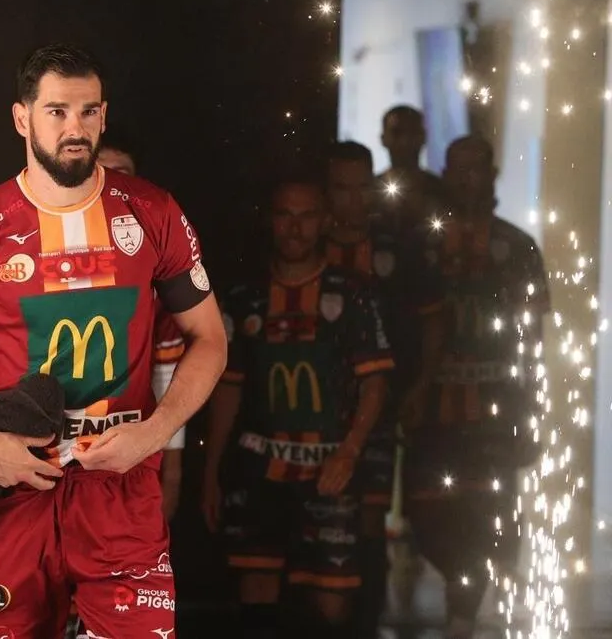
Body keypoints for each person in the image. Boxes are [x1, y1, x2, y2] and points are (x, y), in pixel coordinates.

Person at [0, 44, 227, 639]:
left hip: (122, 493)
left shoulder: (153, 213)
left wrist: (152, 433)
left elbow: (209, 340)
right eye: (56, 112)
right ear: (21, 118)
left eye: (88, 112)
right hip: (14, 489)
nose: (75, 128)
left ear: (103, 114)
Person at [0, 132, 188, 639]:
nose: (110, 189)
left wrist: (164, 463)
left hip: (118, 483)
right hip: (27, 484)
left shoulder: (153, 260)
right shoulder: (10, 240)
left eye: (122, 175)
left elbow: (177, 369)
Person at [202, 176, 393, 638]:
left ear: (324, 222)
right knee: (256, 592)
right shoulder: (245, 295)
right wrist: (211, 472)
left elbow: (376, 381)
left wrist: (349, 451)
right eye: (286, 215)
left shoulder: (352, 293)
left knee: (332, 605)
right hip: (258, 467)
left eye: (306, 216)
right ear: (271, 221)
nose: (295, 228)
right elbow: (228, 387)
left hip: (329, 468)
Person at [403, 135, 549, 639]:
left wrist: (533, 409)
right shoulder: (423, 244)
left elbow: (534, 336)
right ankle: (456, 588)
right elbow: (405, 326)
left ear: (492, 175)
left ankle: (464, 609)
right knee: (427, 509)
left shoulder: (517, 246)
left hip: (494, 405)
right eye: (458, 170)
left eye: (476, 169)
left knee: (487, 509)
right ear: (446, 174)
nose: (467, 180)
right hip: (435, 405)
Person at [323, 141, 446, 639]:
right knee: (320, 518)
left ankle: (366, 627)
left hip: (377, 405)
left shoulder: (398, 249)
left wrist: (421, 384)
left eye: (360, 188)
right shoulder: (307, 244)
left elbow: (435, 320)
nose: (351, 199)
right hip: (314, 411)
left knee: (371, 520)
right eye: (340, 188)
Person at [377, 105, 446, 227]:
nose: (405, 141)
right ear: (384, 139)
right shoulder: (371, 192)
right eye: (397, 133)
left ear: (423, 136)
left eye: (412, 132)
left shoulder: (442, 192)